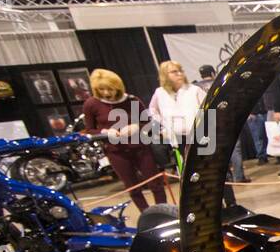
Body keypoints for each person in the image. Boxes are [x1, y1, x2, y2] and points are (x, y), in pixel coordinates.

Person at [81, 69, 167, 211]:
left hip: (141, 148)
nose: (106, 93)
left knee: (155, 183)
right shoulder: (91, 104)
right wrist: (105, 132)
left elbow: (149, 122)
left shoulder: (132, 100)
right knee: (133, 187)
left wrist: (136, 127)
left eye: (110, 89)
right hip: (116, 152)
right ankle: (146, 215)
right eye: (101, 89)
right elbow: (89, 130)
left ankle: (163, 212)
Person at [148, 60, 204, 173]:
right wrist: (163, 126)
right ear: (165, 75)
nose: (179, 74)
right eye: (174, 72)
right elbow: (152, 110)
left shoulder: (194, 90)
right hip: (178, 139)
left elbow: (209, 109)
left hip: (200, 136)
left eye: (181, 70)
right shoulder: (160, 93)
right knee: (188, 171)